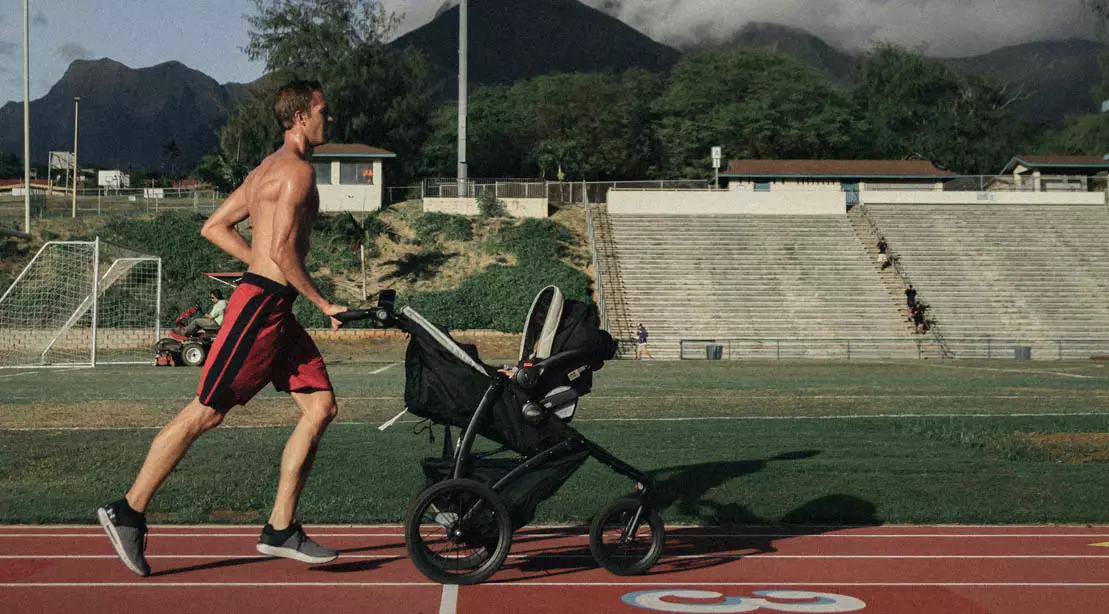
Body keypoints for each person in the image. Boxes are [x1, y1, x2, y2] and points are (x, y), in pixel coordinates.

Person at [97, 80, 348, 577]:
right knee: (206, 412)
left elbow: (214, 226)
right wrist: (325, 302)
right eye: (323, 110)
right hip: (260, 309)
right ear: (300, 116)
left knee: (320, 405)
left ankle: (280, 527)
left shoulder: (263, 172)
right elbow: (279, 253)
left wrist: (266, 266)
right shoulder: (296, 173)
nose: (330, 118)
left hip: (275, 307)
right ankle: (128, 510)